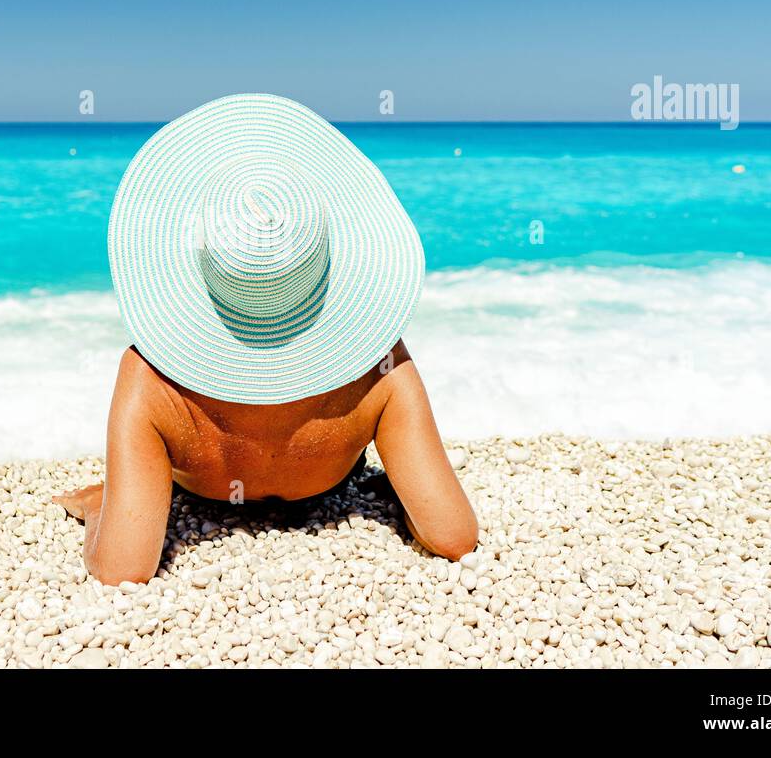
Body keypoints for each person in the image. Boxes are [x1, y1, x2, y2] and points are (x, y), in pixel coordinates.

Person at [54, 94, 477, 584]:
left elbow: (122, 571)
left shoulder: (150, 377)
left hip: (205, 490)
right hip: (325, 487)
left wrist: (101, 511)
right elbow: (454, 537)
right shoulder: (380, 364)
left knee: (115, 505)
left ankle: (107, 498)